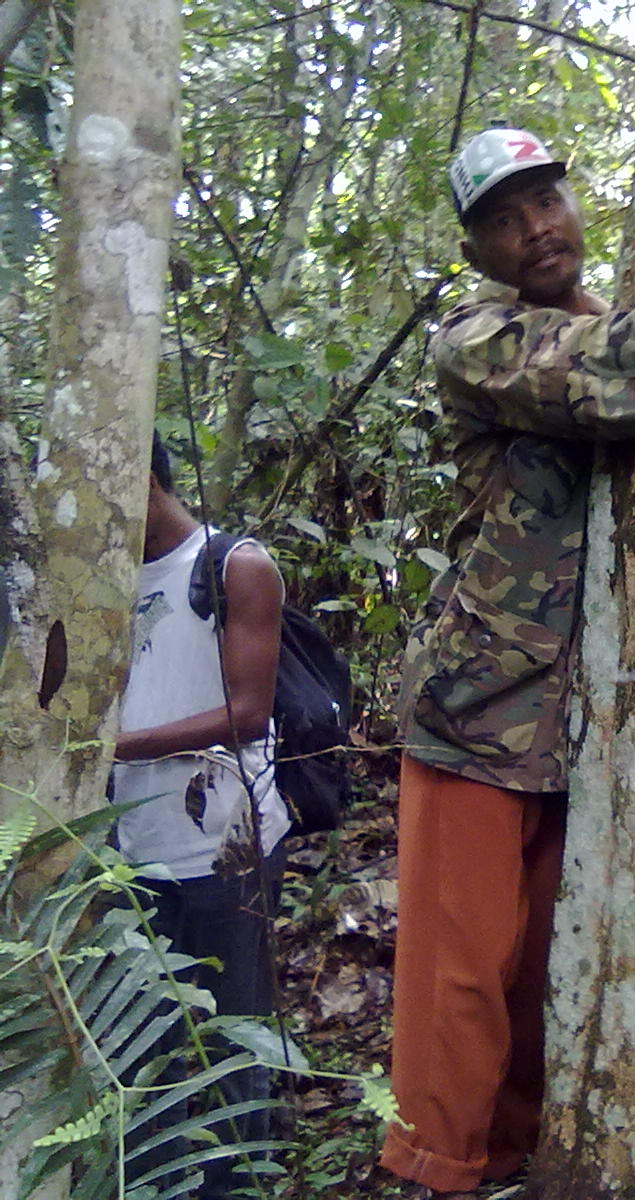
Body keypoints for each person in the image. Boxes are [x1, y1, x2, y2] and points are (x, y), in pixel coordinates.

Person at [381, 128, 635, 1199]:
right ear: (478, 254)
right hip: (484, 703)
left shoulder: (610, 307)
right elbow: (625, 380)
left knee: (549, 970)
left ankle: (509, 1160)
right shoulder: (480, 337)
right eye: (503, 222)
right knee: (458, 976)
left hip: (594, 716)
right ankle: (433, 1171)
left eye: (545, 201)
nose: (535, 231)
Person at [113, 434, 289, 1198]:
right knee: (141, 1040)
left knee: (232, 1033)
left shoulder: (234, 565)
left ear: (145, 479)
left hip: (224, 845)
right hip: (128, 848)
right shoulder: (99, 578)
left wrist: (113, 747)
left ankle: (236, 1183)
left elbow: (249, 713)